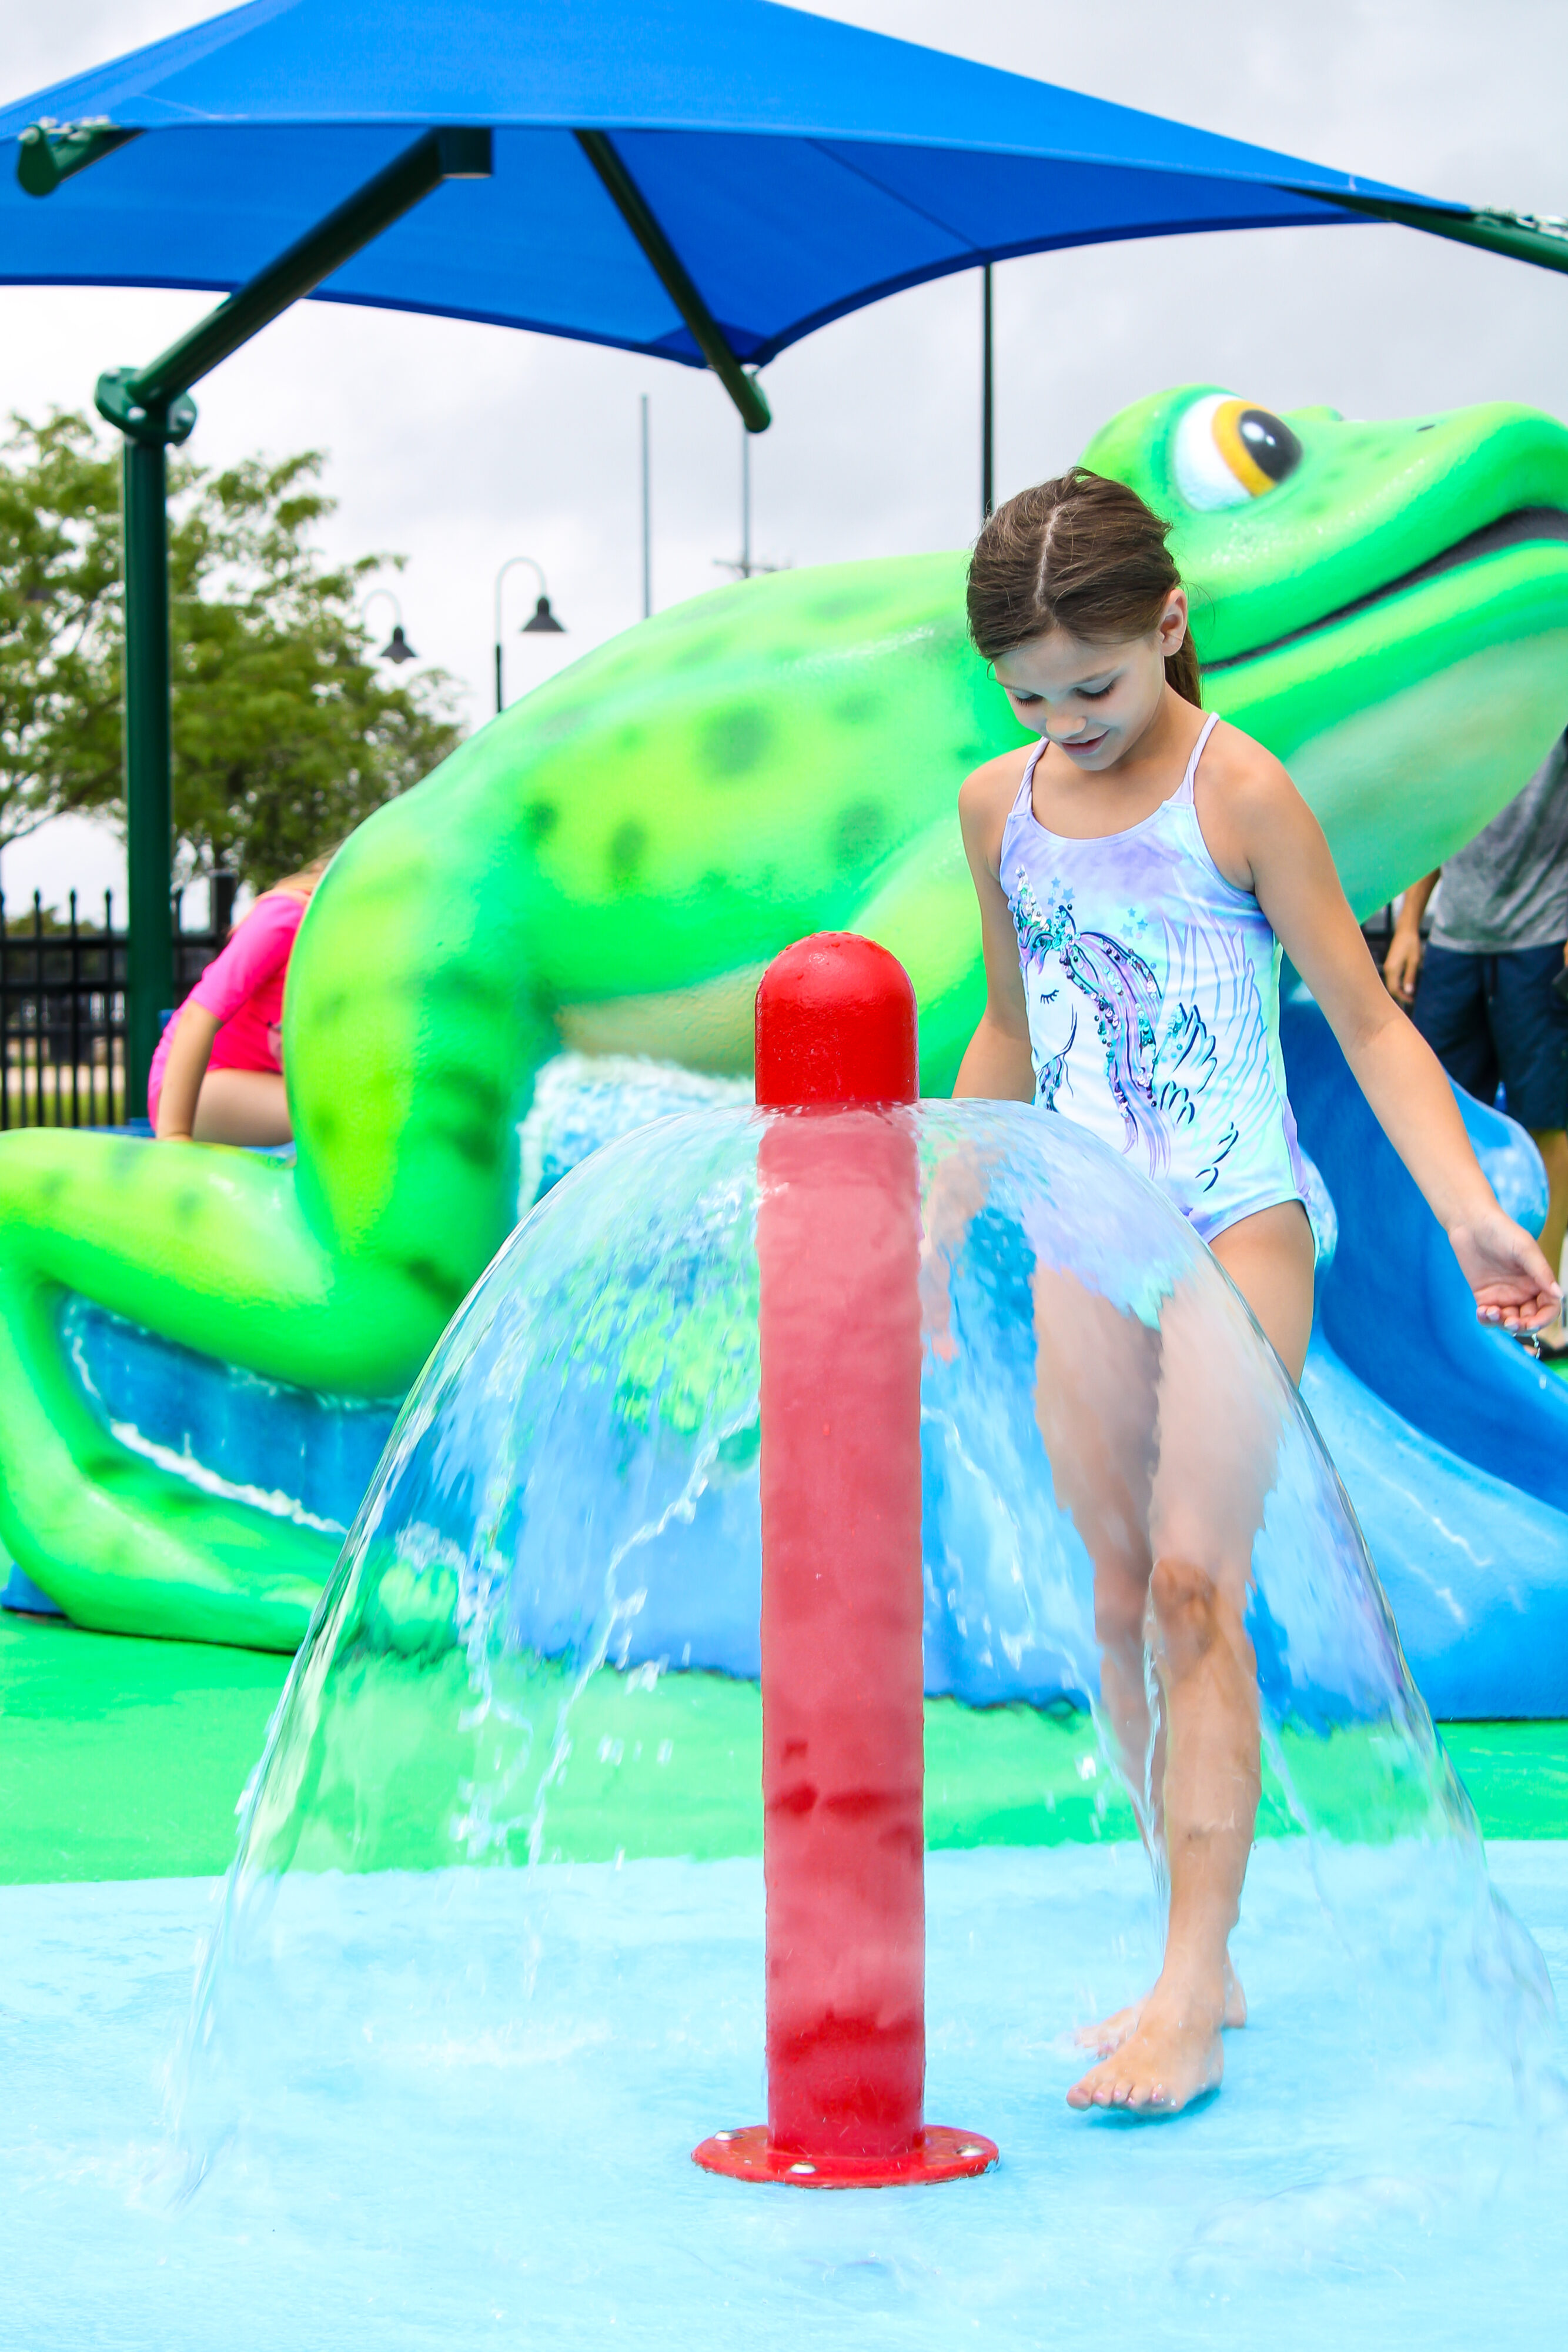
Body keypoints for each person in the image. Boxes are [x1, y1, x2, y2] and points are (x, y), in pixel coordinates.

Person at [944, 468, 1557, 2117]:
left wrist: (1469, 1222)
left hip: (1231, 1224)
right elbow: (1008, 1030)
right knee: (1121, 1590)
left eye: (1097, 684)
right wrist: (928, 1214)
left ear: (1170, 626)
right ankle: (1184, 1942)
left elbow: (1367, 1023)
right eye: (1032, 697)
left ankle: (1194, 1985)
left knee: (1201, 1587)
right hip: (1079, 1227)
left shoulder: (1243, 795)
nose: (1069, 720)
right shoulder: (997, 809)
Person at [1382, 729, 1568, 1357]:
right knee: (1435, 1111)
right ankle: (1434, 1298)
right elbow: (1439, 819)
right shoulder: (1465, 699)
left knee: (1547, 1119)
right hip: (1456, 938)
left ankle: (1538, 1309)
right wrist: (1410, 925)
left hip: (1541, 937)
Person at [149, 855, 330, 1145]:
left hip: (261, 1085)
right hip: (193, 1088)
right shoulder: (287, 918)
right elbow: (200, 1015)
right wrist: (174, 1135)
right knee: (333, 1110)